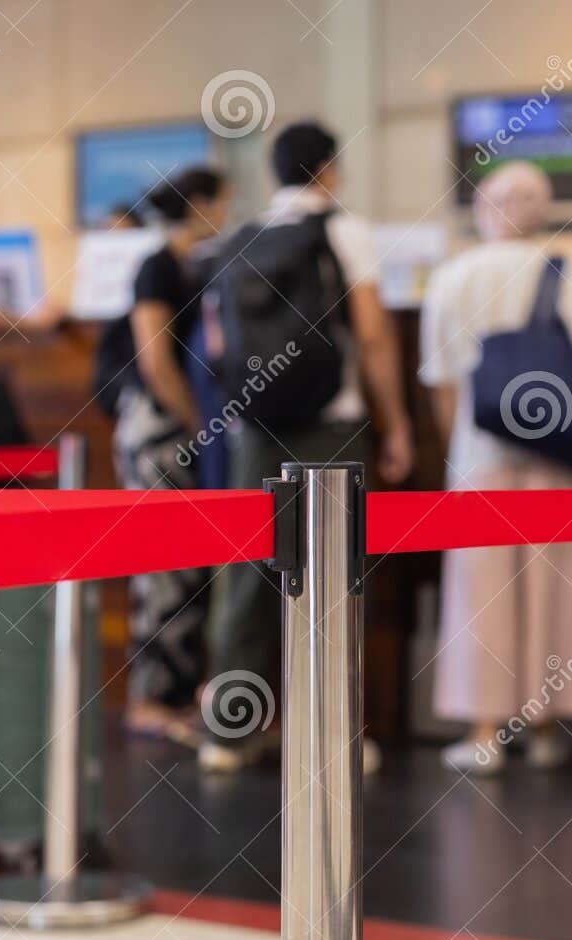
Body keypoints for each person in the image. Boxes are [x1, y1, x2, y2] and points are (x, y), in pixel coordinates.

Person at [197, 121, 415, 773]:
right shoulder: (344, 232)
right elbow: (373, 335)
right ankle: (332, 734)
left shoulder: (237, 240)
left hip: (254, 425)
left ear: (274, 173)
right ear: (330, 169)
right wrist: (396, 422)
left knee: (245, 574)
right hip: (332, 420)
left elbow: (214, 346)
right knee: (333, 576)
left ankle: (225, 735)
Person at [419, 162, 572, 773]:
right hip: (558, 455)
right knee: (556, 585)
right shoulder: (564, 271)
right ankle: (546, 728)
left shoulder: (452, 276)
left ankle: (484, 731)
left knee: (481, 592)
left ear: (482, 207)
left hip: (480, 458)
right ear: (541, 211)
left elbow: (442, 380)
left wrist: (461, 442)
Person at [115, 167, 230, 742]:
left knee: (187, 568)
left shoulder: (198, 266)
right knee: (161, 566)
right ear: (203, 204)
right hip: (162, 430)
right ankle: (150, 701)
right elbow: (156, 362)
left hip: (183, 429)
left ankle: (177, 695)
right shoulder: (158, 267)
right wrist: (202, 424)